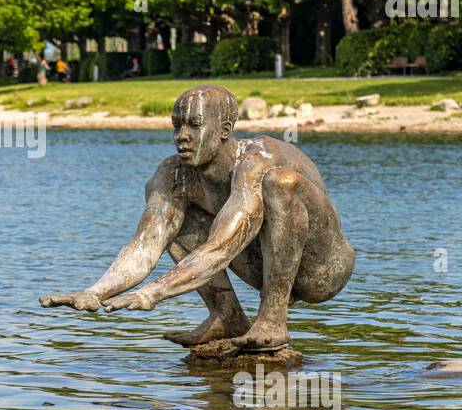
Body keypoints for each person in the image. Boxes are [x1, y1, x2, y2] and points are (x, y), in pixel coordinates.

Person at [39, 85, 355, 357]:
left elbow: (222, 247)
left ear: (224, 131)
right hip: (263, 263)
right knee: (166, 203)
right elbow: (146, 245)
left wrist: (154, 293)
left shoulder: (257, 160)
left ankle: (273, 319)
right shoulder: (175, 174)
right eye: (176, 126)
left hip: (319, 270)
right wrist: (96, 291)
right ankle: (226, 315)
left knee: (279, 184)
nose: (182, 137)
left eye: (194, 125)